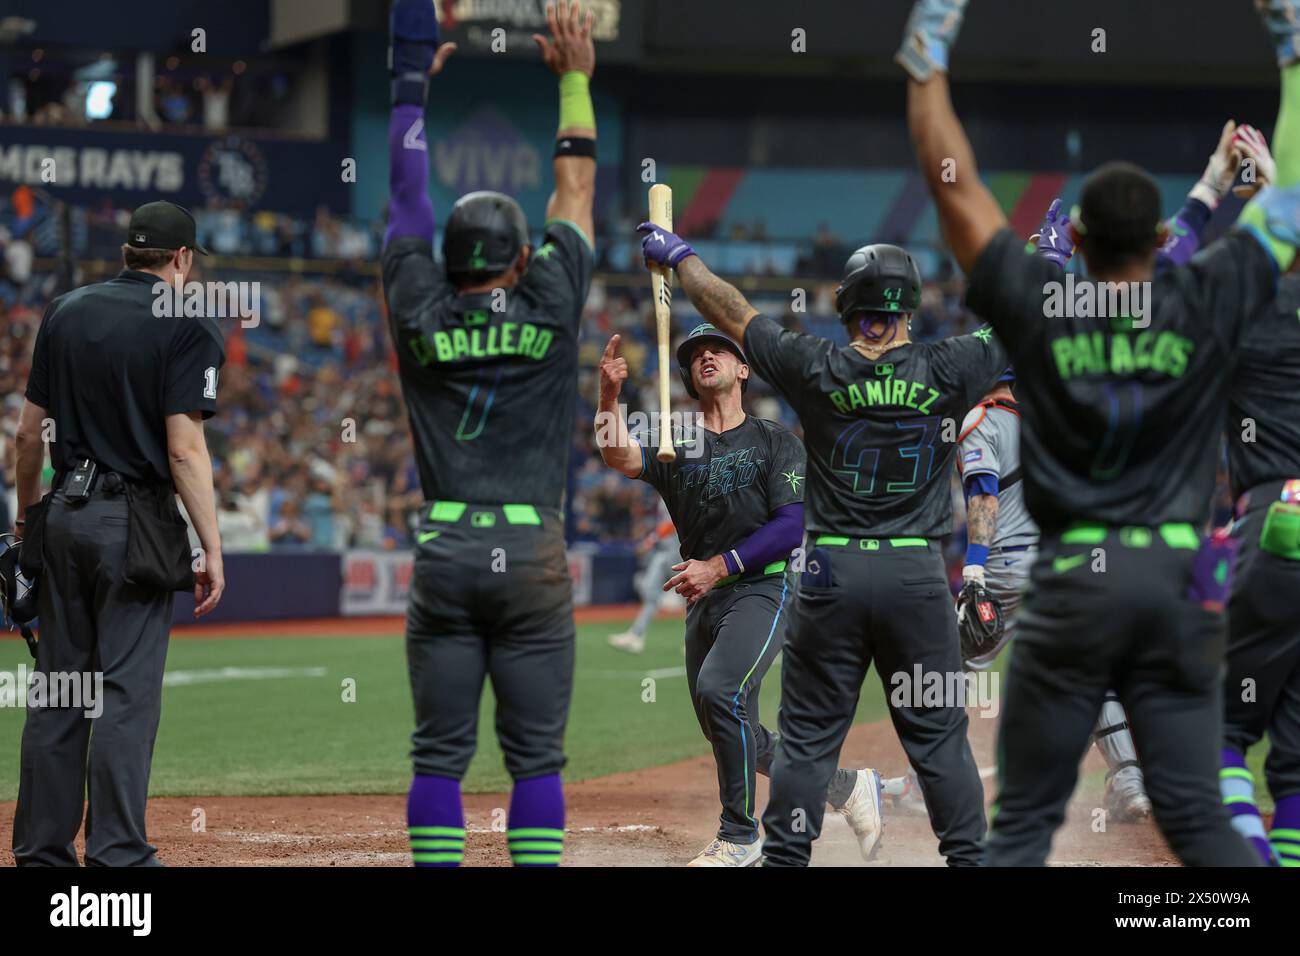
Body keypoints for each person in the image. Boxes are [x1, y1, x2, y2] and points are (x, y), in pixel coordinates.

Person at [899, 0, 1300, 864]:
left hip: (1071, 580)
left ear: (1073, 239)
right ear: (1160, 245)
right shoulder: (1197, 301)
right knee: (1197, 814)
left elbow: (951, 184)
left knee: (1025, 821)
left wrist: (926, 58)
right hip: (1180, 582)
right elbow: (1288, 211)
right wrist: (1292, 56)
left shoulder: (1041, 308)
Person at [638, 222, 1007, 865]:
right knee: (941, 740)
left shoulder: (814, 365)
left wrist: (682, 258)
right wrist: (1051, 262)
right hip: (916, 575)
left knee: (808, 743)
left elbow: (732, 309)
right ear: (911, 306)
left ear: (846, 308)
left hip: (830, 574)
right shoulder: (952, 365)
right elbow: (1027, 327)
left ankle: (782, 859)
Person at [381, 0, 596, 867]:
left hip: (446, 548)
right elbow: (574, 185)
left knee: (439, 755)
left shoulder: (416, 303)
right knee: (535, 756)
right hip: (533, 552)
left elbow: (405, 193)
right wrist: (574, 76)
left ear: (449, 258)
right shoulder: (550, 301)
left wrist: (408, 81)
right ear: (520, 260)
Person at [595, 326, 884, 866]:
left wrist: (719, 566)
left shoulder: (776, 441)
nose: (707, 356)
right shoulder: (675, 441)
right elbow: (618, 457)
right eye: (696, 356)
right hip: (702, 599)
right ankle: (846, 787)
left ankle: (740, 834)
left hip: (762, 586)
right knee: (727, 723)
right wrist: (610, 396)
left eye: (718, 350)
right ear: (687, 378)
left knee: (719, 690)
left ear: (743, 369)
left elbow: (791, 526)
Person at [11, 199, 225, 866]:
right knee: (124, 694)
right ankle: (117, 854)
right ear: (182, 259)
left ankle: (43, 854)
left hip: (65, 515)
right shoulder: (187, 322)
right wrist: (210, 545)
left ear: (129, 252)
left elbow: (26, 435)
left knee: (58, 692)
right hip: (132, 524)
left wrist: (26, 524)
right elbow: (184, 450)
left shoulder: (67, 310)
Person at [1220, 7, 1300, 867]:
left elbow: (1242, 270)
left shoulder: (1250, 322)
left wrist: (1237, 188)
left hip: (1278, 514)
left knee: (1225, 728)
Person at [606, 510, 679, 653]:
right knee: (650, 592)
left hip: (678, 552)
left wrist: (649, 541)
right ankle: (636, 635)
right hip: (664, 552)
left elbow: (671, 524)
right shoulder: (661, 497)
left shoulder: (675, 490)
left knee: (696, 596)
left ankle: (704, 638)